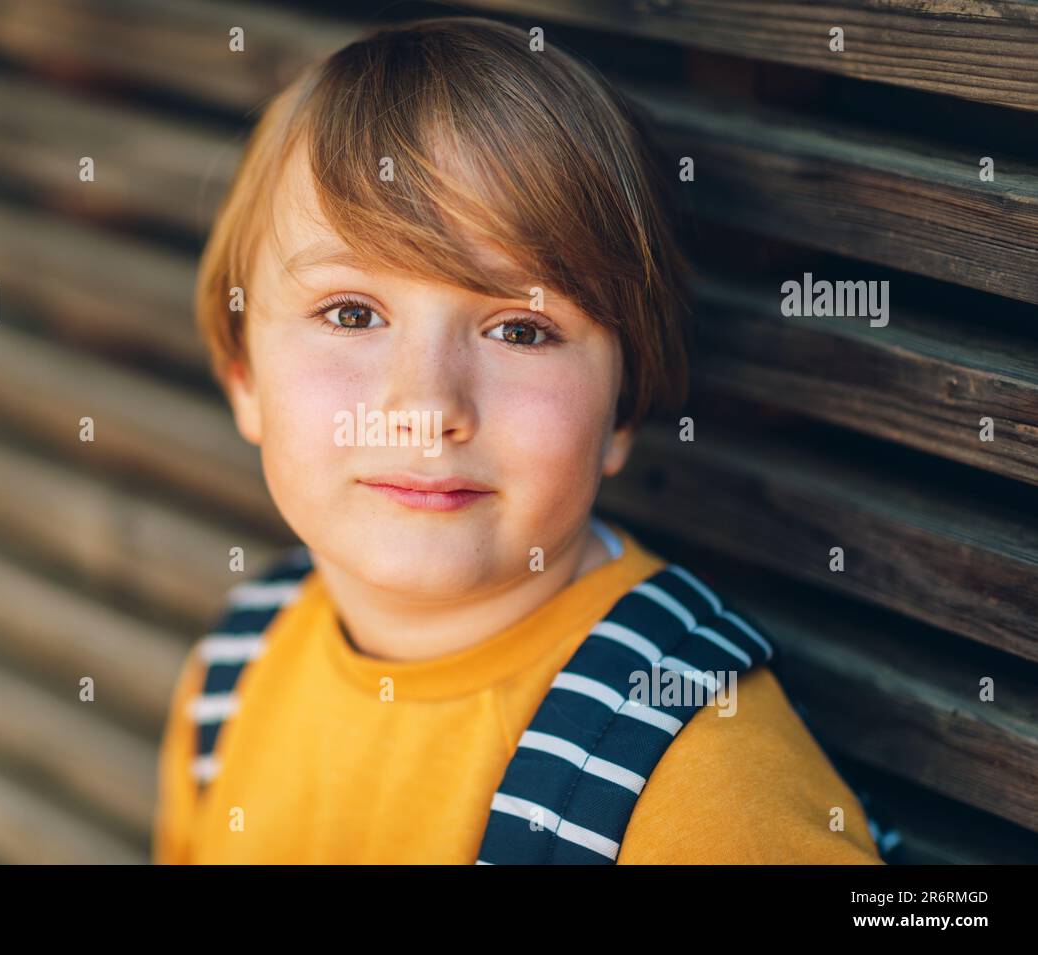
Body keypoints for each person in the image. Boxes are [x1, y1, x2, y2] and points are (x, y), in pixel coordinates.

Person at [153, 16, 882, 865]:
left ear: (621, 412)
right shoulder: (236, 671)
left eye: (520, 330)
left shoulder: (699, 779)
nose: (427, 405)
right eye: (351, 313)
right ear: (243, 376)